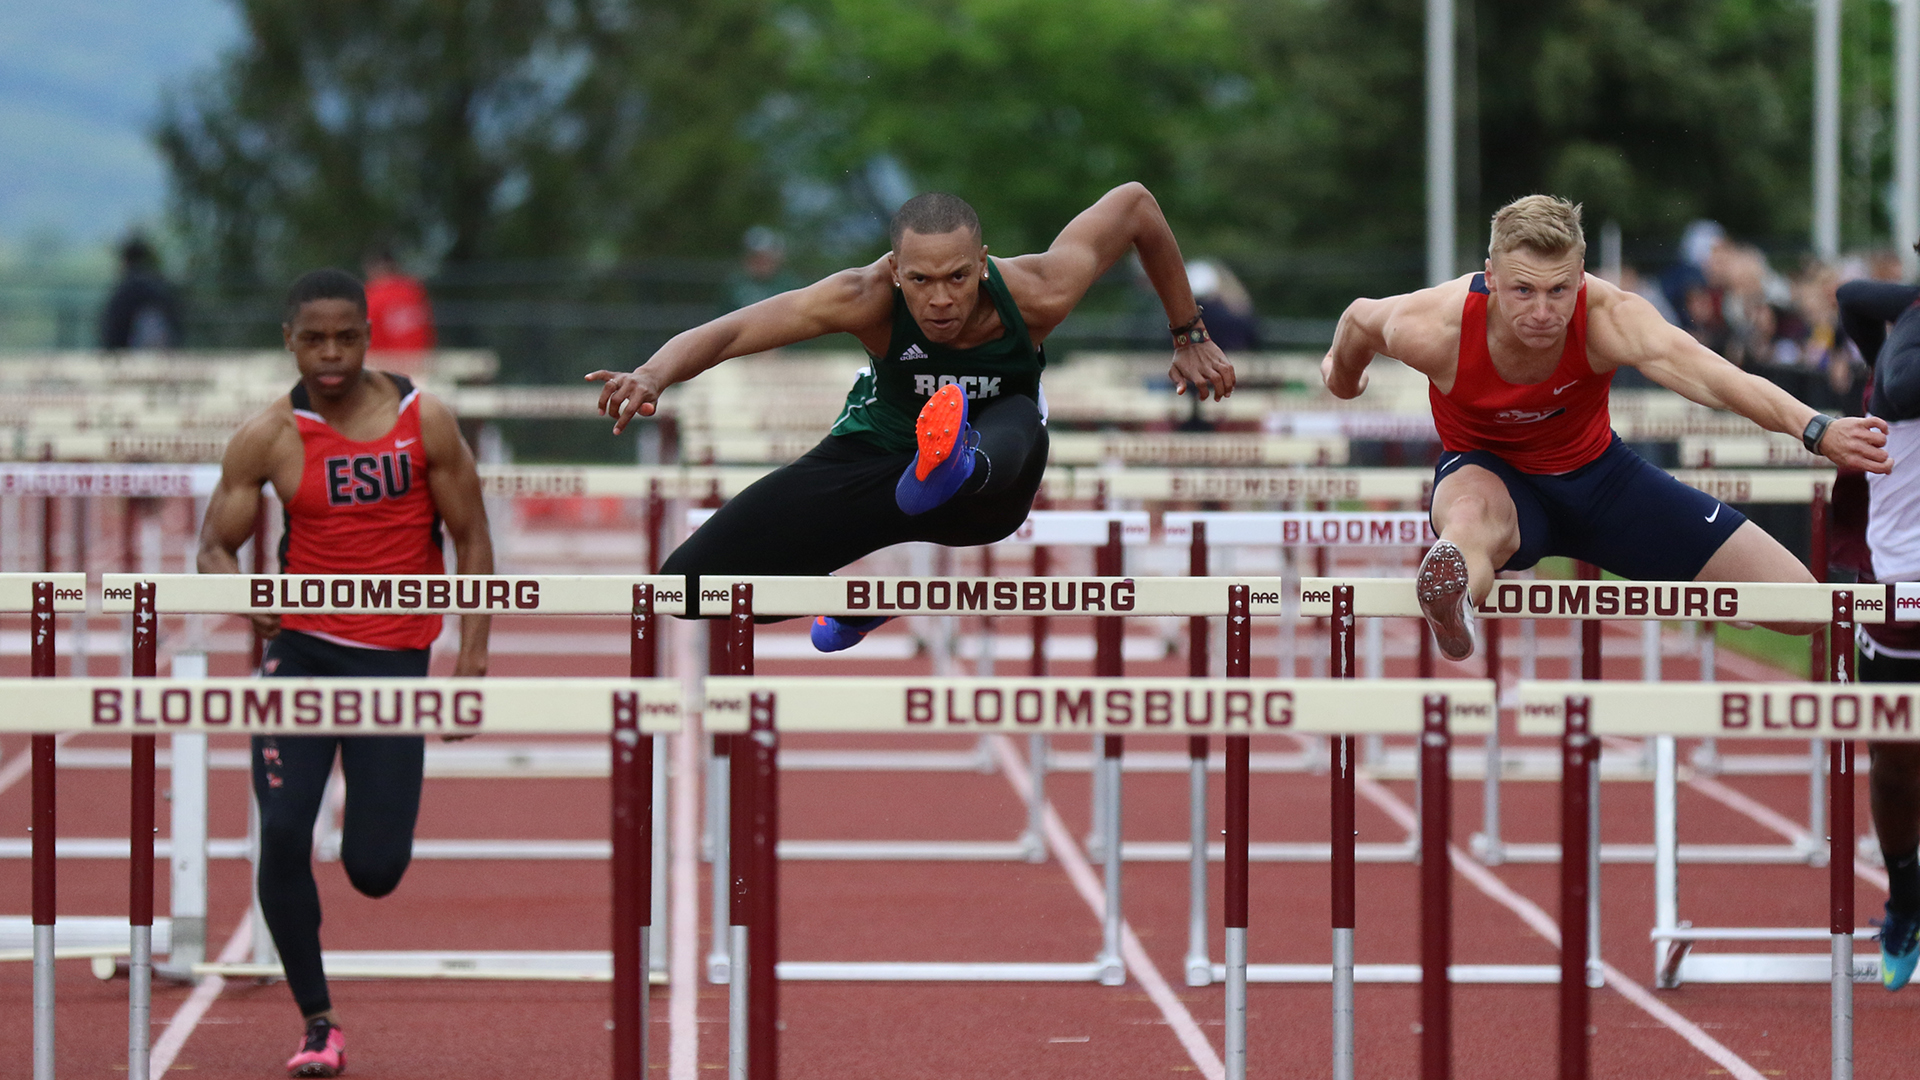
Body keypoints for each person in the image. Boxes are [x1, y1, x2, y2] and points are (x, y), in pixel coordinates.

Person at [589, 186, 1233, 649]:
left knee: (1009, 414)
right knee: (687, 589)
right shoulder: (863, 296)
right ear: (895, 272)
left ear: (983, 265)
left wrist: (1189, 333)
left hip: (992, 483)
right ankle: (859, 600)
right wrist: (652, 374)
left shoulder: (1037, 291)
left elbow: (1137, 205)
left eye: (958, 277)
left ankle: (956, 459)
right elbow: (734, 331)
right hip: (880, 461)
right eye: (922, 281)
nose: (942, 299)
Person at [1320, 194, 1890, 662]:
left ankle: (1459, 580)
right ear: (1490, 277)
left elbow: (1715, 377)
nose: (1543, 312)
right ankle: (1453, 595)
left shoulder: (1607, 315)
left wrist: (1816, 429)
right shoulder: (1434, 326)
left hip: (1602, 482)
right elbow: (1357, 321)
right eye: (1523, 290)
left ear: (1580, 277)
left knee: (1802, 609)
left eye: (1558, 291)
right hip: (1491, 475)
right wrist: (1344, 378)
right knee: (1471, 514)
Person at [197, 268, 493, 1077]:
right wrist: (244, 593)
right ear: (288, 342)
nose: (330, 354)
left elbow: (471, 537)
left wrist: (470, 659)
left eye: (346, 337)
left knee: (374, 868)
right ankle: (317, 1020)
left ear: (368, 336)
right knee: (284, 833)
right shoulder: (269, 436)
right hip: (300, 657)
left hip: (395, 662)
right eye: (313, 339)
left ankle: (357, 887)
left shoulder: (421, 419)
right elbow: (213, 547)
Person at [1835, 264, 1920, 990]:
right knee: (1895, 766)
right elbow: (1853, 298)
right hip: (1902, 595)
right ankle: (1906, 894)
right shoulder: (1903, 357)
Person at [99, 235, 184, 350]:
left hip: (131, 348)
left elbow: (113, 326)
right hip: (164, 348)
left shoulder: (126, 287)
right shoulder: (157, 283)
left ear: (126, 260)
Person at [362, 245, 436, 354]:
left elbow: (368, 339)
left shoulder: (372, 296)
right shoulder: (414, 291)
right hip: (420, 359)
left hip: (387, 361)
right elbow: (429, 332)